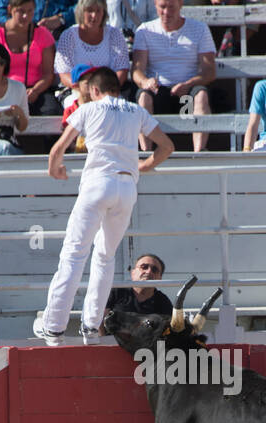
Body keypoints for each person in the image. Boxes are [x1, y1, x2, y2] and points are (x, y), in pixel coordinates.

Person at [34, 67, 175, 346]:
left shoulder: (89, 109)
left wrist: (55, 168)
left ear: (95, 91)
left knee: (74, 255)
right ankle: (90, 326)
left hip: (97, 184)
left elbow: (58, 149)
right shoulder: (136, 111)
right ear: (117, 88)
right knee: (105, 257)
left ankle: (53, 327)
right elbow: (167, 146)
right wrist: (145, 165)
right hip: (126, 188)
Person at [132, 0, 217, 152]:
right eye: (162, 6)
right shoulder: (145, 30)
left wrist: (189, 84)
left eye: (171, 7)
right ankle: (146, 153)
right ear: (155, 5)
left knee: (200, 95)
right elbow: (137, 70)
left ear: (181, 4)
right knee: (143, 98)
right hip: (159, 93)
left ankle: (199, 153)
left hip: (187, 94)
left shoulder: (199, 29)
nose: (166, 12)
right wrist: (146, 82)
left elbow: (209, 72)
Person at [0, 0, 60, 116]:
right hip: (3, 90)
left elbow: (48, 74)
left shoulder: (43, 34)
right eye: (21, 11)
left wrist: (35, 91)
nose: (26, 16)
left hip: (36, 91)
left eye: (30, 11)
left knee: (52, 111)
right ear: (10, 9)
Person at [55, 0, 132, 96]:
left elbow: (121, 70)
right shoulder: (68, 35)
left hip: (108, 91)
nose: (94, 15)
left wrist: (106, 92)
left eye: (98, 11)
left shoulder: (115, 34)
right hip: (75, 90)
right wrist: (85, 90)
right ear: (81, 11)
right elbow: (64, 74)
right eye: (89, 10)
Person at [104, 253, 174, 316]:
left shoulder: (163, 302)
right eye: (144, 267)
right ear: (132, 273)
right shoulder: (116, 292)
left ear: (160, 278)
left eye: (154, 270)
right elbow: (99, 320)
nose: (149, 271)